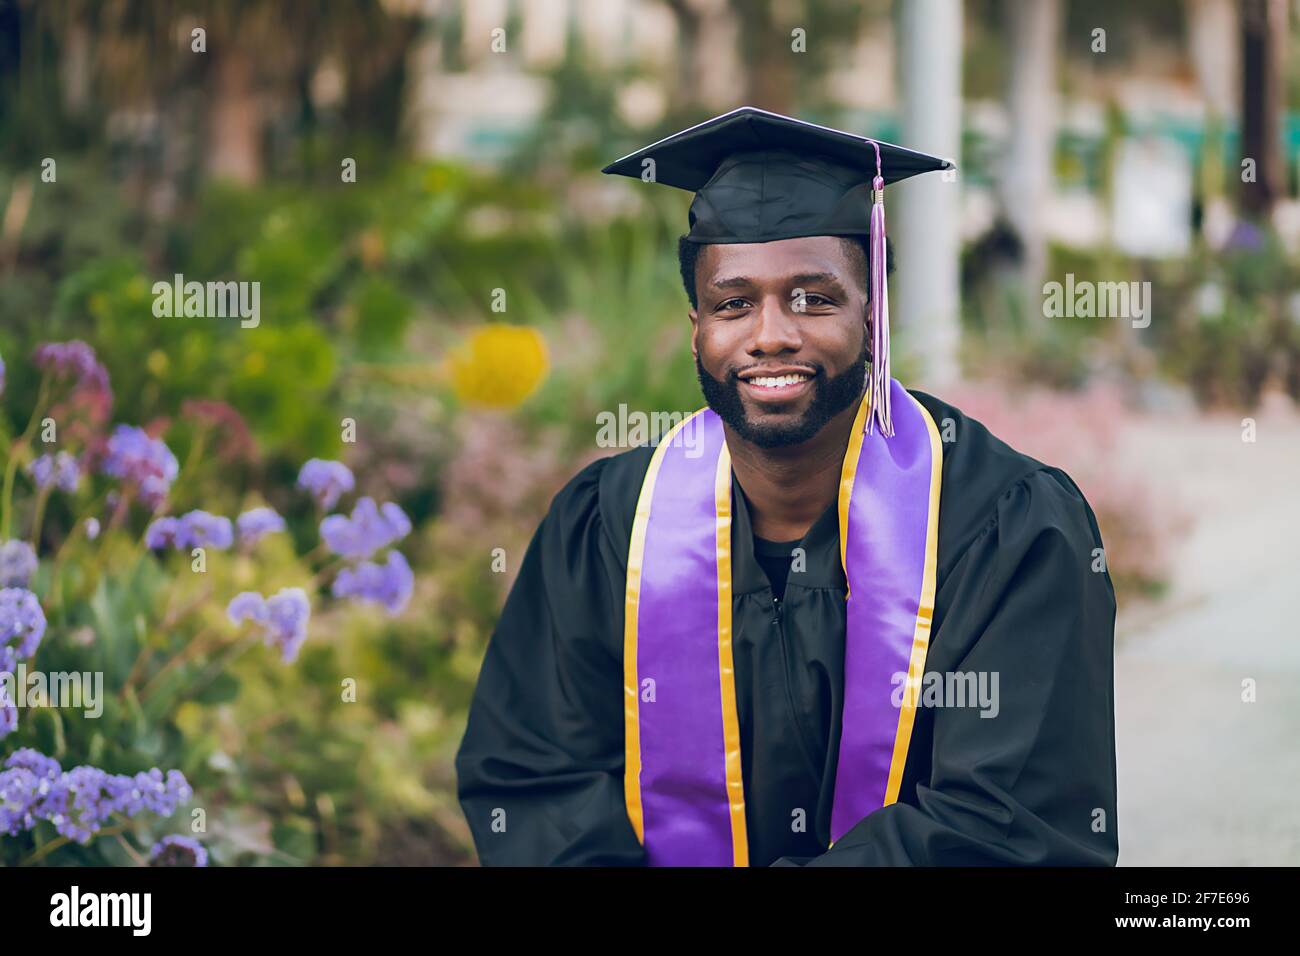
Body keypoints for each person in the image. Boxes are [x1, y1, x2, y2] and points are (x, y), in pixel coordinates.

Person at [455, 107, 1118, 866]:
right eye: (734, 303)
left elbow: (1010, 825)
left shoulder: (1008, 528)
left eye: (814, 298)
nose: (771, 333)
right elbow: (535, 779)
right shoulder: (610, 525)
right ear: (695, 326)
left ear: (874, 315)